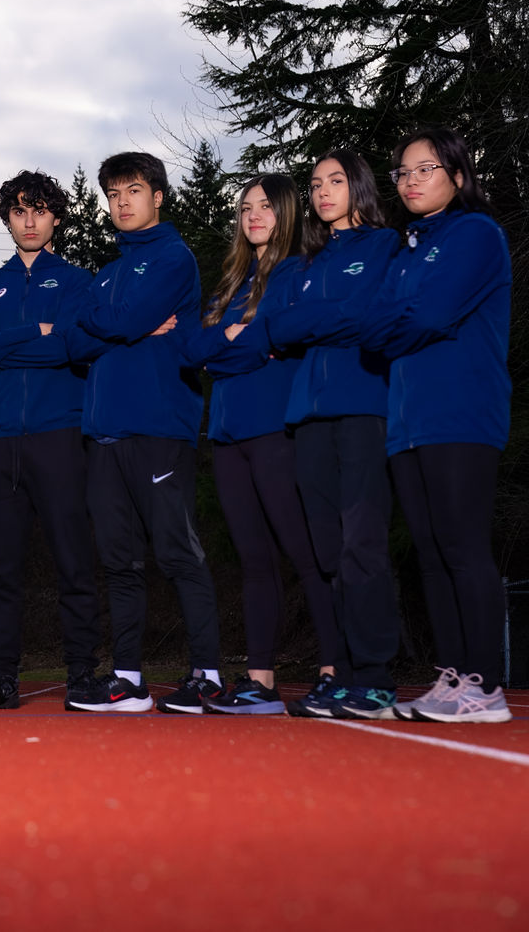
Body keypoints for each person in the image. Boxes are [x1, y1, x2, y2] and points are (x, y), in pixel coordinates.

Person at [60, 152, 222, 714]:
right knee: (118, 561)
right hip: (103, 433)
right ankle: (128, 679)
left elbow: (108, 324)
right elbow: (74, 344)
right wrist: (121, 324)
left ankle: (209, 674)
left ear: (158, 196)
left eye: (132, 190)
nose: (121, 202)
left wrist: (114, 323)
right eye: (112, 194)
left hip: (158, 428)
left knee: (178, 552)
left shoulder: (174, 258)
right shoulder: (106, 273)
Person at [363, 127, 512, 723]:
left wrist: (399, 318)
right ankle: (453, 679)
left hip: (461, 416)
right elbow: (372, 328)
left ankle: (486, 687)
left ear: (456, 174)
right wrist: (401, 318)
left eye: (424, 169)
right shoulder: (404, 251)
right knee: (428, 553)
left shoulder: (476, 233)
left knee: (463, 547)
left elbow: (431, 314)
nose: (410, 181)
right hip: (407, 424)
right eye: (401, 172)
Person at [184, 176, 338, 715]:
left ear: (288, 213)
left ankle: (334, 671)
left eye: (265, 207)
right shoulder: (230, 281)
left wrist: (229, 343)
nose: (254, 215)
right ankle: (261, 680)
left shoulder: (297, 271)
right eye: (246, 207)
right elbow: (193, 350)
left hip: (275, 430)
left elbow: (272, 340)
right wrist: (232, 340)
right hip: (226, 436)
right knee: (253, 561)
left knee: (308, 554)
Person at [256, 150, 399, 719]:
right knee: (328, 552)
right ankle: (340, 676)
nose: (322, 191)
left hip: (364, 408)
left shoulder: (384, 247)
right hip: (307, 418)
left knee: (363, 545)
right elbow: (278, 327)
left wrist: (313, 319)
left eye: (335, 181)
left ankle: (376, 679)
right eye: (315, 184)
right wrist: (324, 316)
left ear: (358, 187)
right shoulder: (306, 262)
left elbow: (368, 317)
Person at [0, 171, 98, 710]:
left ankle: (83, 674)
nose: (30, 220)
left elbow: (68, 349)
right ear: (7, 219)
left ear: (56, 217)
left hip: (59, 434)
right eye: (19, 211)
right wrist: (32, 333)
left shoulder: (79, 283)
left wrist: (10, 345)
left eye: (40, 210)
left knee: (73, 560)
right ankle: (0, 679)